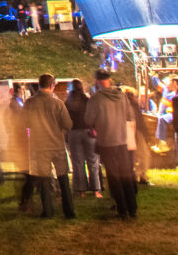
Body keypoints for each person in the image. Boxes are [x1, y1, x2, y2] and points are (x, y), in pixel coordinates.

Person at [84, 70, 136, 220]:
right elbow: (130, 116)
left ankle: (122, 210)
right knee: (126, 174)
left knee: (114, 177)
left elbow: (88, 120)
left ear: (97, 81)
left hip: (107, 141)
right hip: (122, 140)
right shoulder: (122, 96)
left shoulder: (96, 99)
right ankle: (132, 208)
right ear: (110, 79)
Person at [23, 74, 73, 219]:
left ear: (39, 85)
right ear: (52, 85)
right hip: (56, 145)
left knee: (43, 180)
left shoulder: (30, 103)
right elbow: (68, 124)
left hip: (39, 146)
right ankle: (69, 211)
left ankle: (48, 211)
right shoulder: (58, 104)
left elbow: (24, 123)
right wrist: (60, 132)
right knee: (63, 179)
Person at [64, 79, 100, 198]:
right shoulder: (88, 100)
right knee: (93, 161)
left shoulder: (67, 103)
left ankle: (81, 190)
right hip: (89, 132)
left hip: (74, 133)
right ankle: (96, 189)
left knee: (78, 162)